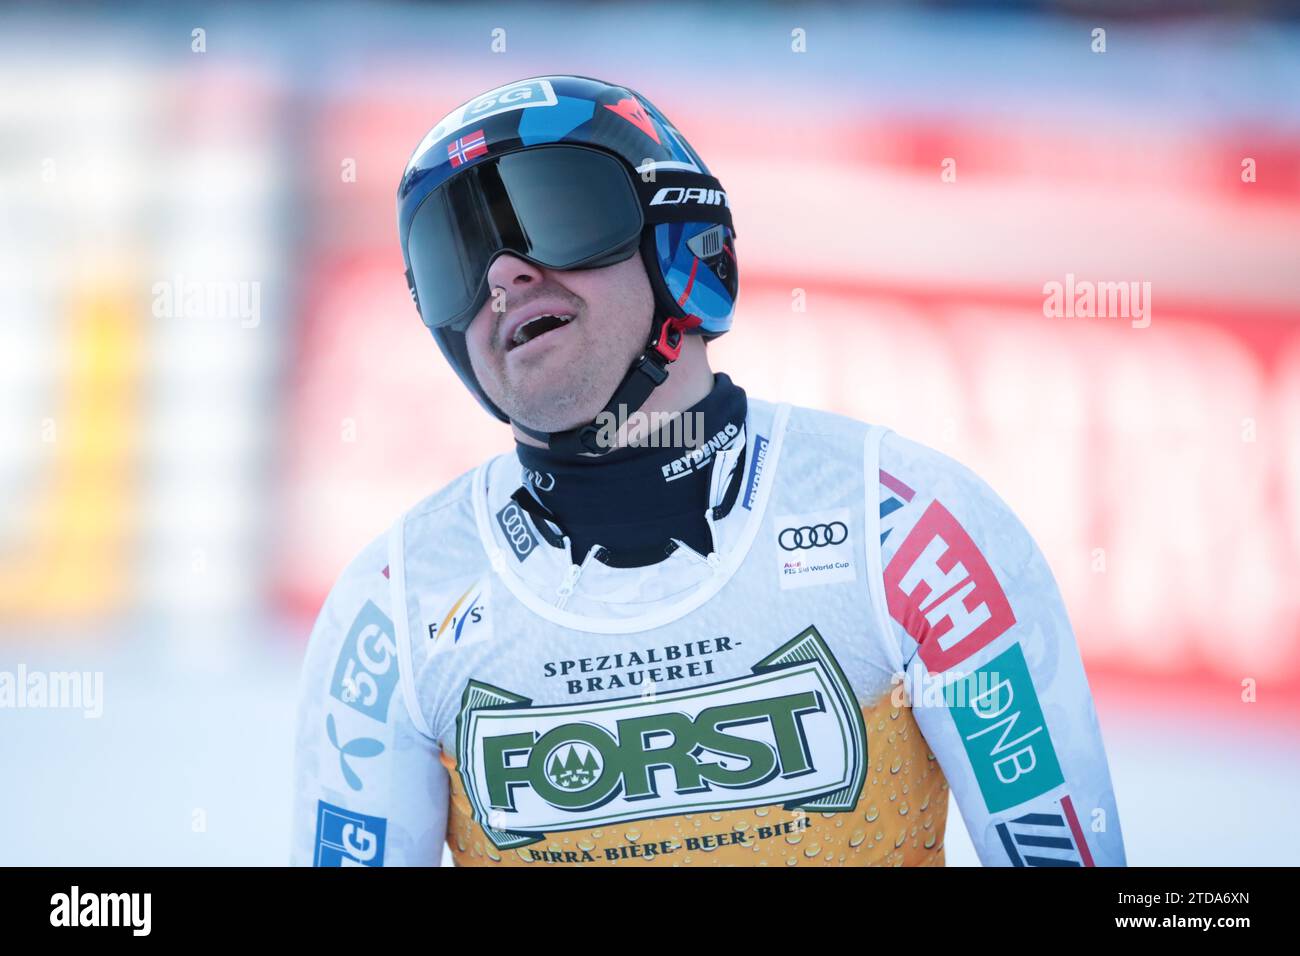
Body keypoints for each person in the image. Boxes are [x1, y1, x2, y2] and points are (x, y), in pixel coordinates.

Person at [290, 75, 1125, 867]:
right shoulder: (394, 609)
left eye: (554, 213)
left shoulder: (906, 534)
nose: (502, 276)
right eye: (456, 256)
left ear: (677, 243)